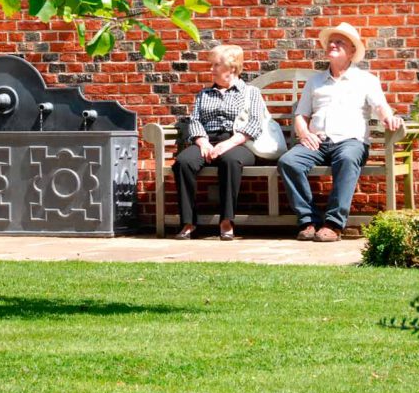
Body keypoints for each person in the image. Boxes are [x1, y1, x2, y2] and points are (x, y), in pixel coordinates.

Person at [279, 23, 404, 243]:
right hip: (317, 142)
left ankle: (334, 224)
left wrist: (389, 118)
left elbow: (380, 106)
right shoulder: (315, 81)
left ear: (352, 51)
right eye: (331, 42)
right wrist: (304, 133)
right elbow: (301, 115)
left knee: (347, 158)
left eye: (339, 42)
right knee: (289, 162)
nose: (333, 45)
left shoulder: (366, 80)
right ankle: (308, 221)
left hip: (351, 142)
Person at [172, 45, 267, 241]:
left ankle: (226, 220)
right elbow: (195, 121)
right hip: (207, 140)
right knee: (183, 162)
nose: (211, 69)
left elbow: (254, 124)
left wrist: (227, 144)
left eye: (216, 65)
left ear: (232, 67)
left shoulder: (251, 92)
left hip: (238, 143)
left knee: (230, 161)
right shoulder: (204, 94)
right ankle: (188, 222)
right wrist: (203, 143)